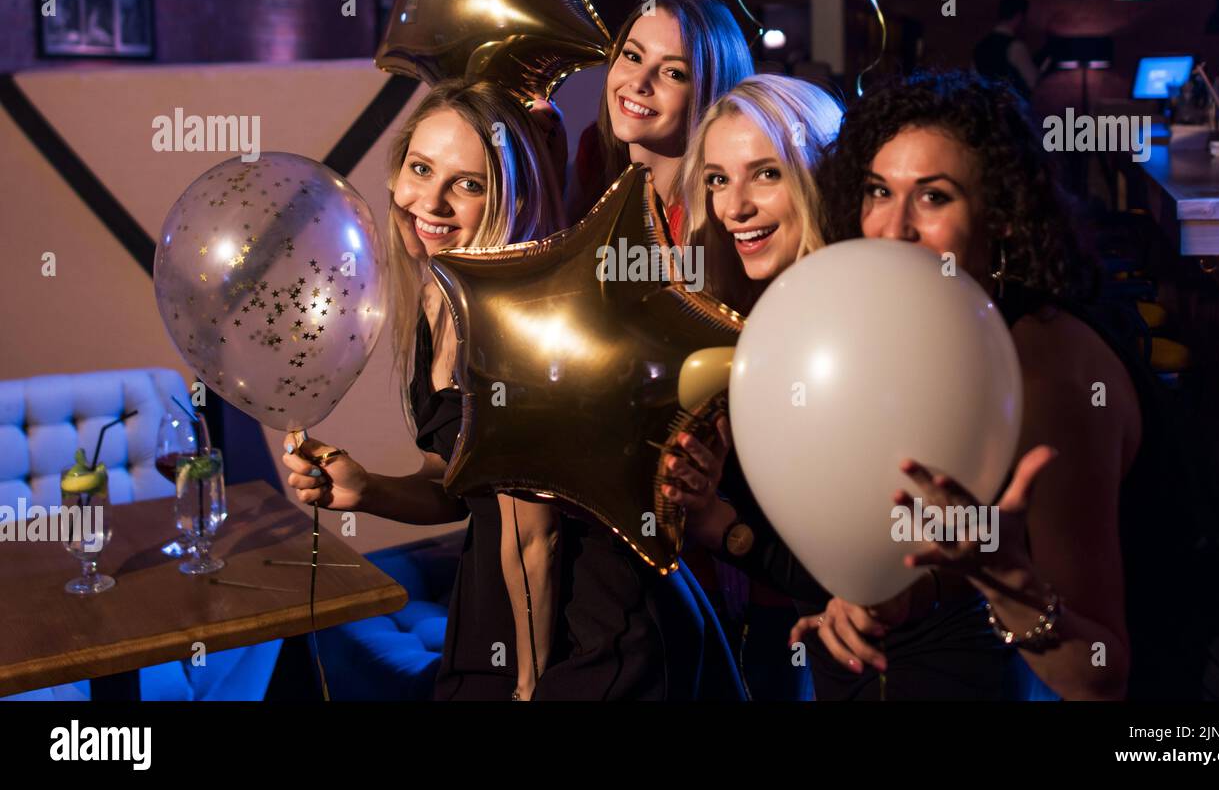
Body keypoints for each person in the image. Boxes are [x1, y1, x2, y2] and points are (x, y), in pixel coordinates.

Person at [282, 78, 741, 700]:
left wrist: (526, 687)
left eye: (468, 184)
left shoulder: (518, 320)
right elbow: (462, 485)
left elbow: (536, 537)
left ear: (507, 196)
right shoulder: (435, 296)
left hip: (595, 626)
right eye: (421, 169)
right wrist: (368, 491)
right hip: (506, 604)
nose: (432, 203)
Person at [800, 69, 1174, 700]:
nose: (893, 228)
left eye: (934, 197)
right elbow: (972, 545)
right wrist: (895, 596)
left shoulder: (1047, 376)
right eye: (877, 191)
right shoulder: (945, 331)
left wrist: (1001, 576)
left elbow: (1099, 673)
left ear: (1000, 217)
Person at [666, 74, 852, 699]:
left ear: (819, 173)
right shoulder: (756, 312)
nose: (734, 206)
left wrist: (719, 525)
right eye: (717, 179)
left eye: (766, 173)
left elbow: (864, 565)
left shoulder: (849, 325)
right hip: (762, 627)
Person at [566, 0, 755, 235]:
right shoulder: (595, 152)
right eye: (633, 56)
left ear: (712, 96)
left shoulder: (712, 219)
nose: (639, 83)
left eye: (674, 73)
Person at [971, 0, 1047, 101]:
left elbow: (974, 81)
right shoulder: (1016, 47)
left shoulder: (980, 46)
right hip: (1013, 110)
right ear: (1019, 16)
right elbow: (1034, 84)